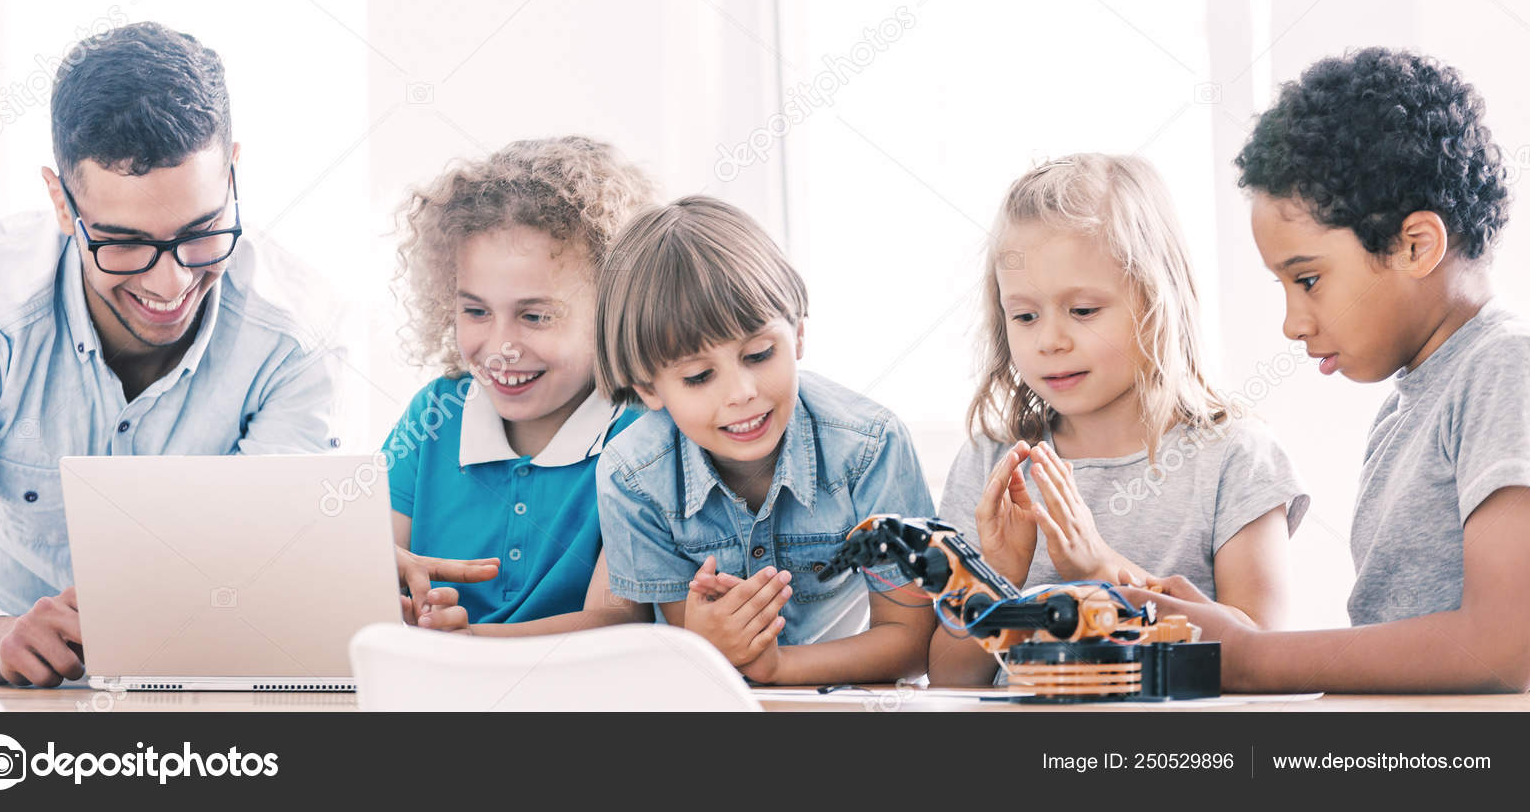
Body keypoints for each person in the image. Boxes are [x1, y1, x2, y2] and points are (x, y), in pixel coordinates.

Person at [0, 21, 343, 687]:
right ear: (62, 202)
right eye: (124, 242)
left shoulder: (299, 336)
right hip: (7, 694)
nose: (170, 282)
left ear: (233, 172)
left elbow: (273, 575)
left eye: (202, 232)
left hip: (210, 688)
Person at [1123, 48, 1530, 692]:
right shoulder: (1408, 407)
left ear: (1414, 244)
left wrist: (1251, 656)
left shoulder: (1506, 368)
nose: (1293, 322)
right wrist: (1229, 631)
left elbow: (1505, 645)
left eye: (1307, 279)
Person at [932, 153, 1306, 685]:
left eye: (1083, 311)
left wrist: (1102, 573)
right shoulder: (989, 464)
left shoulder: (1235, 458)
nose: (1050, 340)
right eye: (1025, 315)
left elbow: (1263, 658)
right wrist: (994, 586)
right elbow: (949, 682)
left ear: (1158, 304)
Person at [593, 195, 937, 685]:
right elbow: (685, 649)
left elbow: (912, 640)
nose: (742, 394)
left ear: (797, 334)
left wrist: (776, 667)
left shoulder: (868, 447)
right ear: (648, 386)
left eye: (758, 354)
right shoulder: (633, 474)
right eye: (698, 377)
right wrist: (704, 638)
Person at [381, 137, 659, 634]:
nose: (499, 348)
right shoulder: (435, 414)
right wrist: (380, 577)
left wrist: (461, 644)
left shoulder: (645, 436)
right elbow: (364, 560)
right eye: (476, 311)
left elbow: (615, 620)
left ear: (613, 308)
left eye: (534, 316)